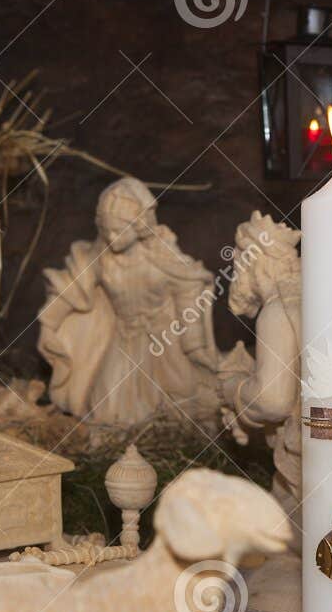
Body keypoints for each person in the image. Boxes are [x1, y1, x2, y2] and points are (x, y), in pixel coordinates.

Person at [38, 177, 219, 426]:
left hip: (167, 340)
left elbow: (188, 293)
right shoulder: (101, 258)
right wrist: (49, 324)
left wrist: (194, 346)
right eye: (106, 230)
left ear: (140, 225)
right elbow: (71, 286)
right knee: (106, 407)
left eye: (119, 230)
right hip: (125, 339)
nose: (112, 238)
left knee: (185, 402)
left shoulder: (162, 257)